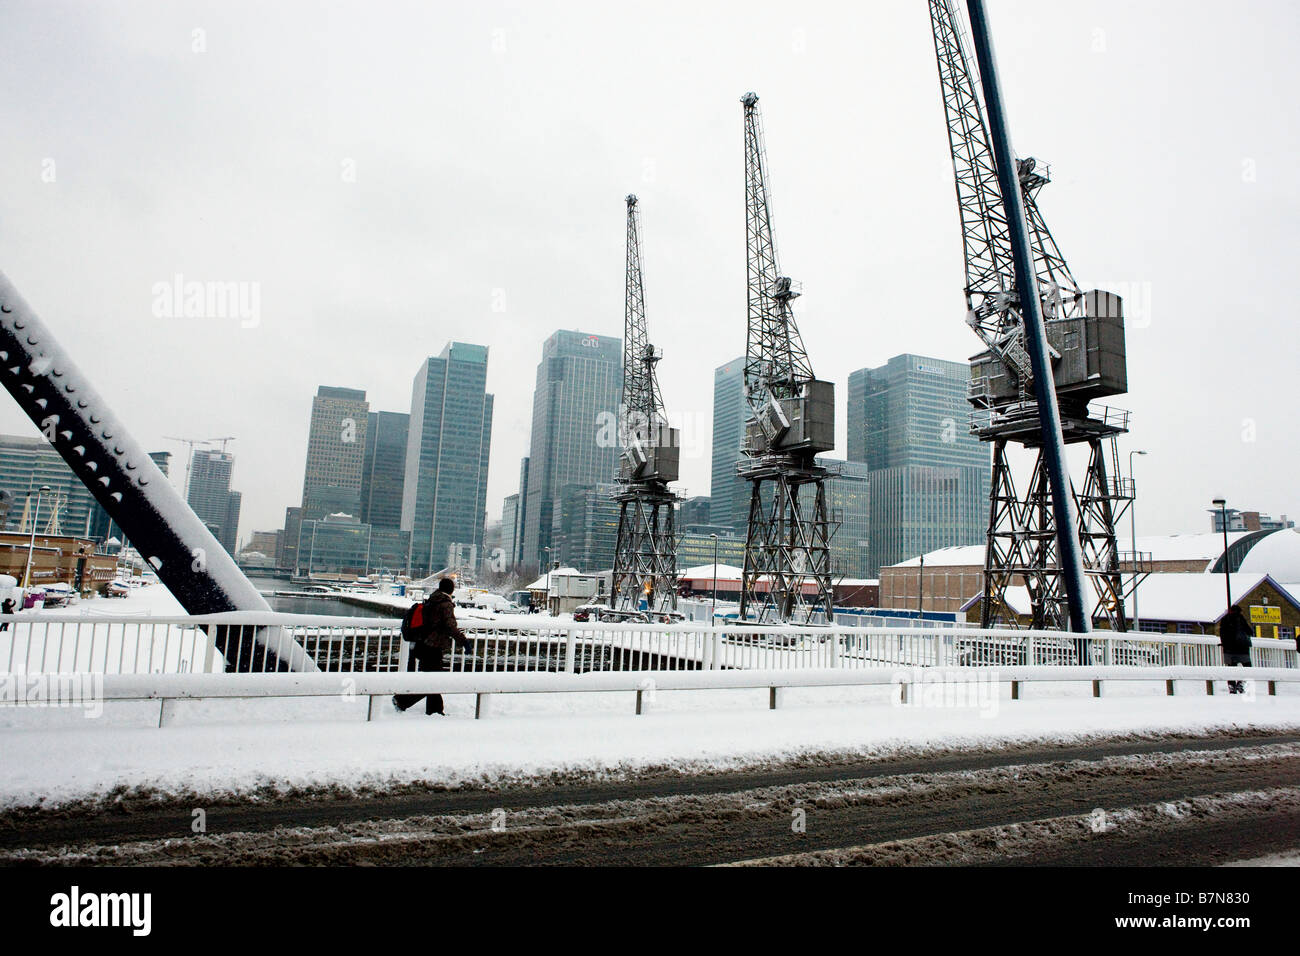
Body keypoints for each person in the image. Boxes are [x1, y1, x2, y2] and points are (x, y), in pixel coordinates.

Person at [394, 577, 473, 716]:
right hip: (433, 646)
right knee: (433, 680)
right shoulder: (445, 604)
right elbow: (450, 626)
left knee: (431, 678)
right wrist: (464, 642)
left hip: (422, 644)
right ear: (451, 590)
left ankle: (434, 710)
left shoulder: (432, 599)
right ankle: (402, 701)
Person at [1219, 604, 1254, 695]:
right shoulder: (1240, 619)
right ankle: (1241, 684)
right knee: (1248, 668)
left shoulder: (1225, 619)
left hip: (1229, 649)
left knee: (1231, 669)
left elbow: (1222, 633)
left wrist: (1225, 644)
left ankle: (1232, 686)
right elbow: (1250, 632)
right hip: (1242, 649)